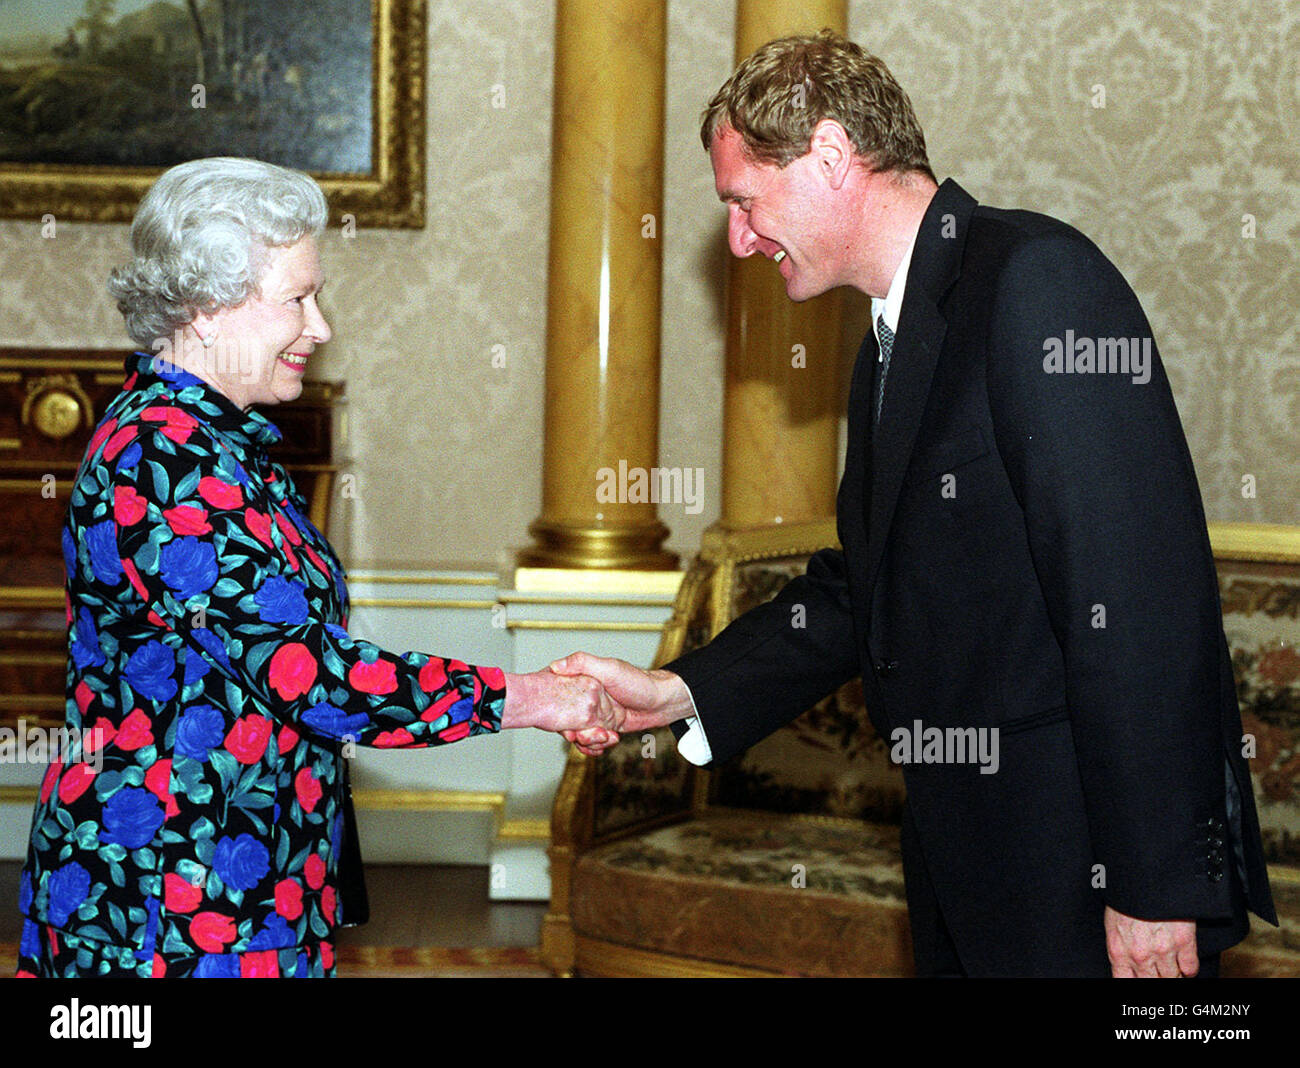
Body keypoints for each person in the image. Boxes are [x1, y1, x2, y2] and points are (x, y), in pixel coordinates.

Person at [555, 30, 1277, 978]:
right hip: (963, 862)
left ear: (828, 154)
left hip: (1081, 873)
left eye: (743, 202)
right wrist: (683, 692)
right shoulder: (889, 342)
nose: (737, 239)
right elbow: (866, 590)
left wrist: (1154, 883)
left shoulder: (1038, 283)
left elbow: (1137, 602)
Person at [16, 157, 622, 978]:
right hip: (167, 905)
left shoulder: (219, 443)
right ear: (204, 306)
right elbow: (312, 677)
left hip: (243, 889)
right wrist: (532, 697)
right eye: (297, 298)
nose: (321, 326)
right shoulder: (165, 460)